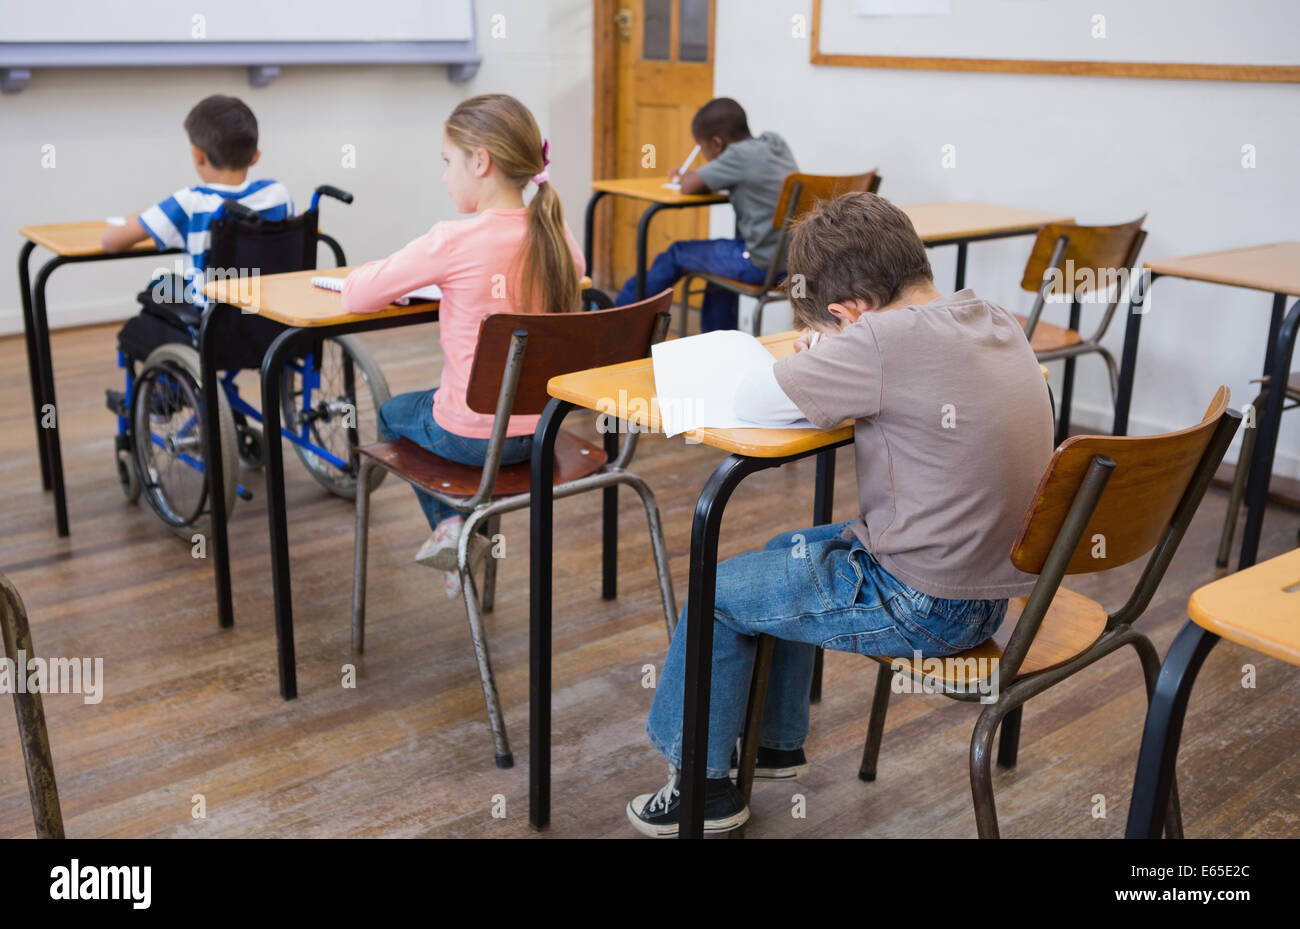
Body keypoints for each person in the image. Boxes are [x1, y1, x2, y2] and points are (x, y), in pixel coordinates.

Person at [627, 192, 1055, 836]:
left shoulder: (879, 340)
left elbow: (755, 396)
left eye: (828, 333)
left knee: (715, 589)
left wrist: (811, 360)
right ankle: (774, 744)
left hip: (926, 602)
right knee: (785, 546)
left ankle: (702, 787)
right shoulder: (990, 315)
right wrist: (834, 353)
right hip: (1005, 585)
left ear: (847, 315)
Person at [342, 94, 585, 599]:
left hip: (473, 440)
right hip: (546, 433)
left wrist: (374, 270)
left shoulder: (451, 240)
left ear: (481, 161)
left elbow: (359, 296)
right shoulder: (557, 234)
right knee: (442, 402)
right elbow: (574, 276)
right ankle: (458, 529)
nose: (444, 175)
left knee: (392, 412)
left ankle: (453, 528)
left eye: (447, 161)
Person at [613, 97, 796, 332]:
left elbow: (689, 186)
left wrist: (683, 177)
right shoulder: (774, 142)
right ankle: (719, 345)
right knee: (717, 277)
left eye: (702, 148)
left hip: (760, 263)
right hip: (793, 261)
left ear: (717, 144)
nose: (704, 156)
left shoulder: (737, 156)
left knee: (677, 253)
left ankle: (617, 312)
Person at [102, 94, 293, 305]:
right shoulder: (278, 194)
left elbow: (111, 242)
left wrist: (140, 218)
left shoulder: (190, 203)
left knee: (160, 286)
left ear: (198, 155)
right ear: (255, 156)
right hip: (273, 314)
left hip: (216, 321)